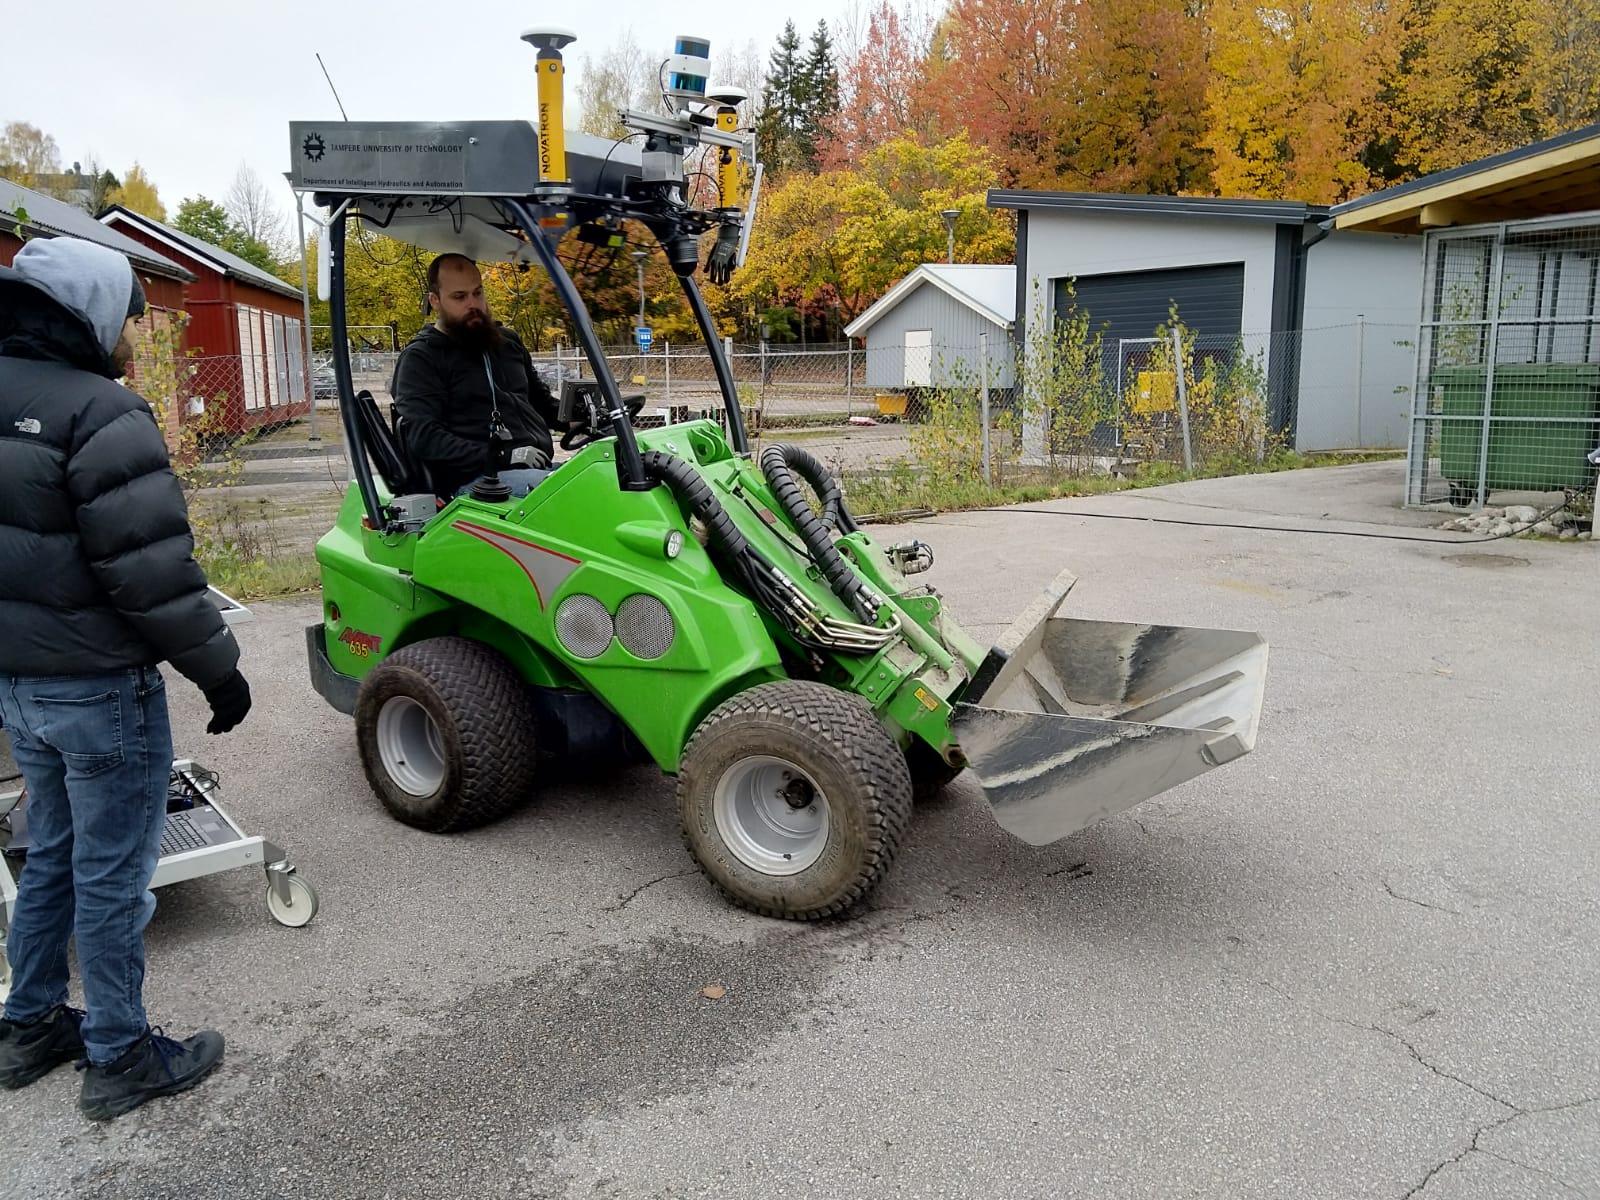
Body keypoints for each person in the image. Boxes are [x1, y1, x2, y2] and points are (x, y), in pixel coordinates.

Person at [0, 237, 252, 1121]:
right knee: (113, 872)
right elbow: (149, 569)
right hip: (102, 691)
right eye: (127, 322)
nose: (133, 342)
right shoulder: (100, 411)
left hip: (20, 688)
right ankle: (118, 1054)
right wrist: (219, 671)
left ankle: (28, 1024)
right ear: (92, 316)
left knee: (56, 858)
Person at [392, 253, 562, 498]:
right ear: (435, 300)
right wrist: (499, 455)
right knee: (565, 496)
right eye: (459, 297)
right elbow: (424, 436)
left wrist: (579, 417)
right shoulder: (422, 358)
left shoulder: (506, 343)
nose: (473, 304)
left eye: (477, 293)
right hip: (473, 480)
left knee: (611, 480)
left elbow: (542, 405)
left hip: (534, 469)